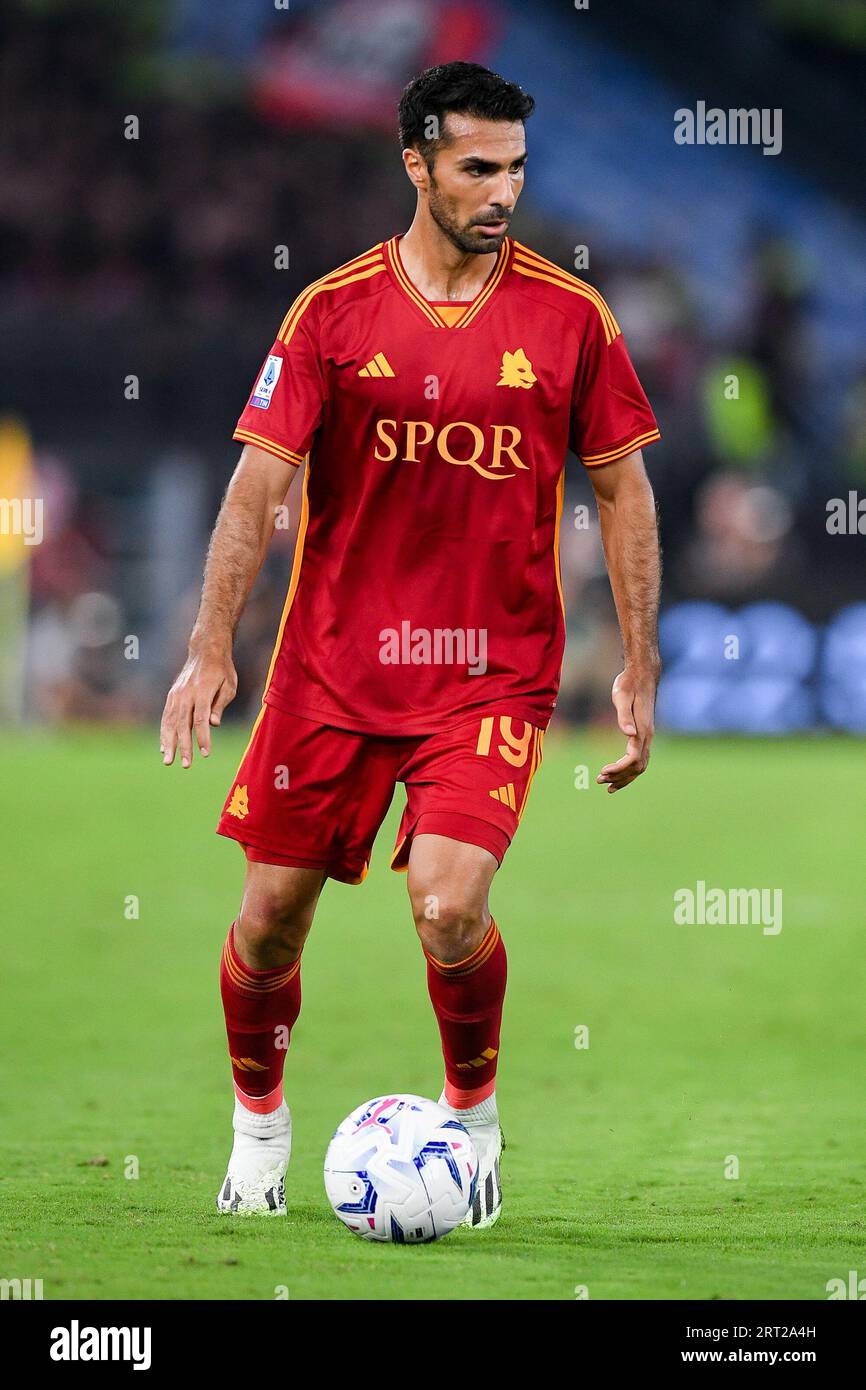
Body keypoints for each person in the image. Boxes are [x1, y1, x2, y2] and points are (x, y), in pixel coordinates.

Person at [160, 61, 662, 1228]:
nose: (501, 192)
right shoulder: (331, 314)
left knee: (446, 906)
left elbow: (624, 492)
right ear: (417, 165)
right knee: (269, 921)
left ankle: (471, 1119)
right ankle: (258, 1131)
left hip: (488, 672)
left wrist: (638, 659)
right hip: (332, 669)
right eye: (477, 168)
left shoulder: (570, 318)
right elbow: (255, 488)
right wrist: (206, 647)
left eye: (516, 170)